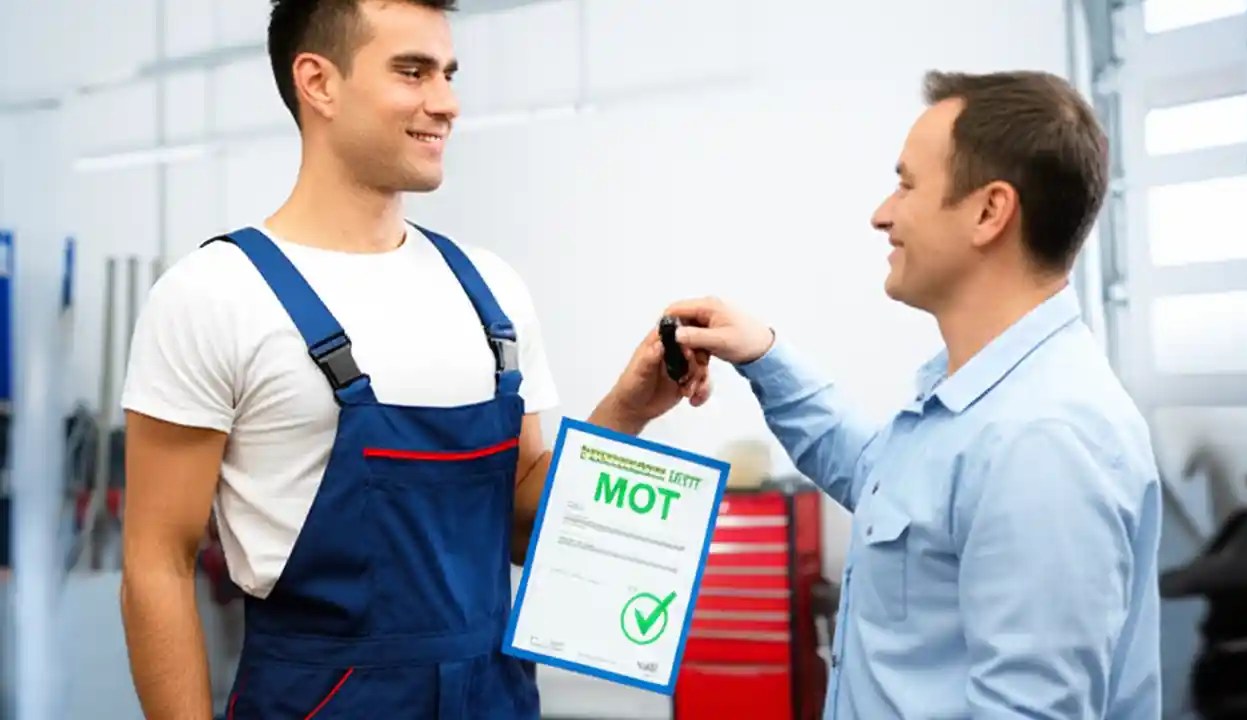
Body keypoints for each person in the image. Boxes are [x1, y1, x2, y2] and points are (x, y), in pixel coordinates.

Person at [117, 1, 709, 718]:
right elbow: (157, 563)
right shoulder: (214, 296)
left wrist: (626, 412)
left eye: (448, 74)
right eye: (413, 72)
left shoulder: (491, 291)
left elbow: (525, 528)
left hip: (494, 695)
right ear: (319, 82)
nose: (448, 103)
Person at [665, 70, 1162, 719]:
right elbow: (875, 476)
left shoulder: (1042, 441)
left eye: (906, 184)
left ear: (989, 212)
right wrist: (763, 354)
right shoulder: (975, 399)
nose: (882, 214)